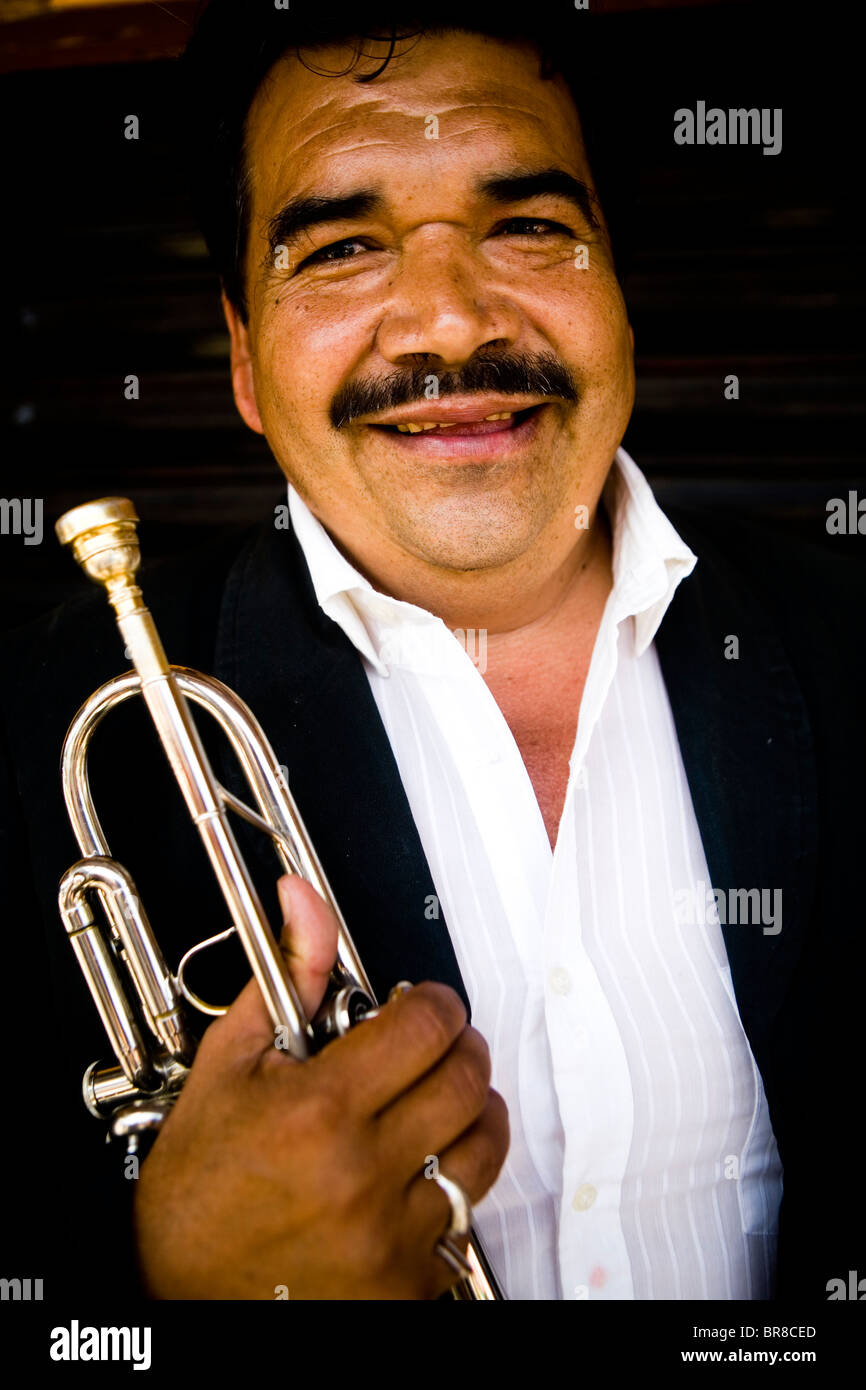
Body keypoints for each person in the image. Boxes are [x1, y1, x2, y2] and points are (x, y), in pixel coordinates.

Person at [1, 1, 862, 1302]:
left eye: (528, 226)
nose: (450, 325)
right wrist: (179, 1283)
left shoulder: (850, 635)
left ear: (618, 296)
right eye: (343, 248)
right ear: (245, 361)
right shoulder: (30, 729)